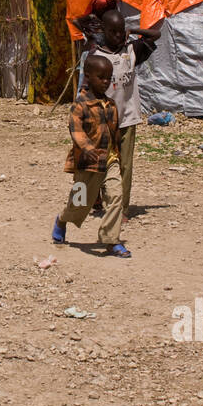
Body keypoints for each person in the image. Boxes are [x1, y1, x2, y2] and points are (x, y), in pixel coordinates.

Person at [82, 3, 159, 217]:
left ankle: (120, 209)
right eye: (112, 32)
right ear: (104, 31)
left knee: (125, 165)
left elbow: (156, 35)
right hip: (103, 119)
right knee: (101, 163)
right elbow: (86, 88)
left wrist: (133, 31)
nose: (117, 36)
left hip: (127, 117)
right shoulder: (96, 56)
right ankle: (97, 198)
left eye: (120, 31)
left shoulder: (131, 51)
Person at [52, 55, 130, 257]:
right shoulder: (80, 106)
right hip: (86, 165)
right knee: (78, 203)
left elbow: (115, 132)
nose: (106, 82)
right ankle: (62, 219)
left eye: (108, 78)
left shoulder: (111, 104)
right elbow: (76, 133)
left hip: (109, 161)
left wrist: (118, 155)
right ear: (87, 77)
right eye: (101, 77)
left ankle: (111, 240)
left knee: (116, 197)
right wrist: (89, 149)